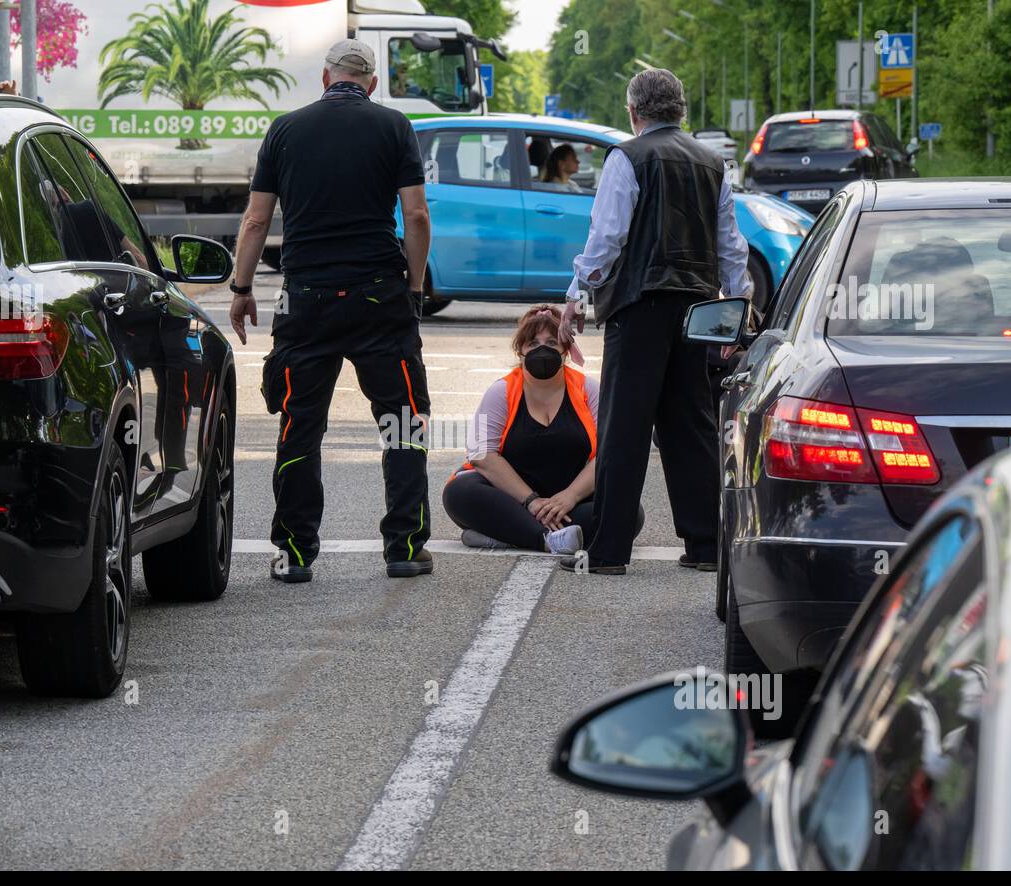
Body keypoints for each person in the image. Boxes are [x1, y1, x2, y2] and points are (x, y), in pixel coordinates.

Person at [228, 39, 434, 585]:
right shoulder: (394, 127)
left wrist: (242, 287)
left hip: (307, 298)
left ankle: (295, 554)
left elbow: (254, 221)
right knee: (401, 421)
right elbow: (415, 216)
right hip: (378, 296)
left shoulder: (285, 129)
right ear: (370, 84)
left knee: (299, 425)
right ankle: (405, 547)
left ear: (325, 78)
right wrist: (411, 290)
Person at [558, 68, 752, 576]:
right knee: (691, 425)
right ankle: (706, 545)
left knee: (625, 427)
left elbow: (607, 240)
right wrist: (738, 307)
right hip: (697, 309)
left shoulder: (628, 157)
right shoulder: (714, 164)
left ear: (633, 112)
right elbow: (732, 246)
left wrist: (576, 297)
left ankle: (608, 551)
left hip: (639, 305)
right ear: (680, 110)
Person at [444, 305, 644, 554]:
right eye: (533, 343)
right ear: (521, 351)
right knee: (459, 492)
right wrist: (531, 501)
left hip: (571, 500)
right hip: (513, 499)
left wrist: (570, 496)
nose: (542, 349)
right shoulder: (500, 391)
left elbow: (609, 451)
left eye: (551, 342)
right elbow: (482, 456)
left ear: (565, 350)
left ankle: (514, 534)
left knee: (629, 509)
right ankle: (547, 539)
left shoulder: (589, 389)